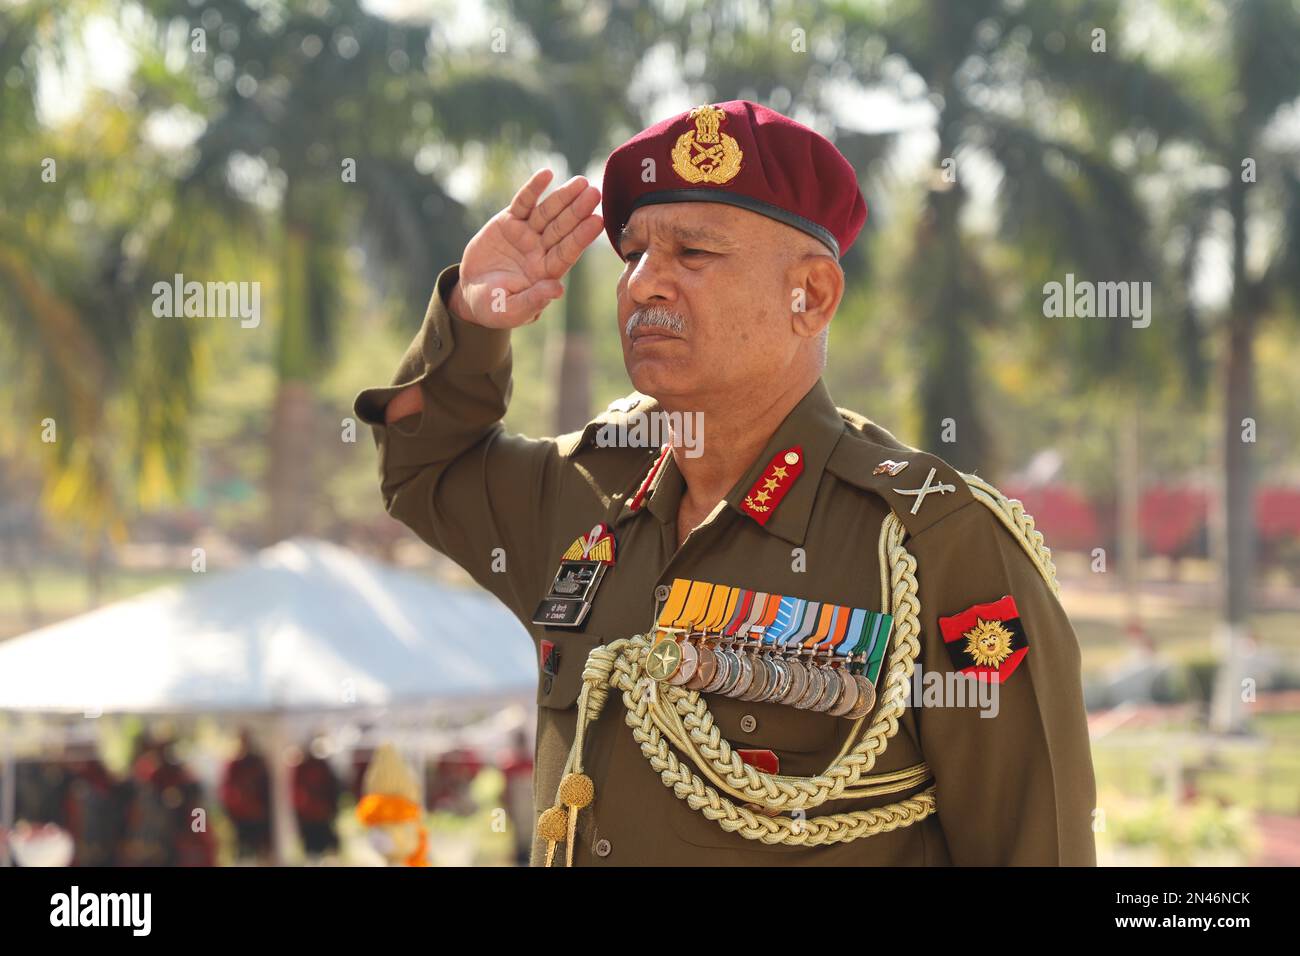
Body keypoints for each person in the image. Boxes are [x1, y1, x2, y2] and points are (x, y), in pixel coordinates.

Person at [354, 101, 1097, 866]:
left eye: (694, 252)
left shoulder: (932, 544)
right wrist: (473, 321)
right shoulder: (590, 494)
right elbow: (426, 467)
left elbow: (1034, 847)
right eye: (633, 253)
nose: (645, 284)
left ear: (812, 295)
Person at [219, 729, 272, 863]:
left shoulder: (258, 764)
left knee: (260, 853)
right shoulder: (234, 766)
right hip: (241, 817)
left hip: (258, 817)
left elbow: (266, 790)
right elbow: (227, 791)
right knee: (244, 854)